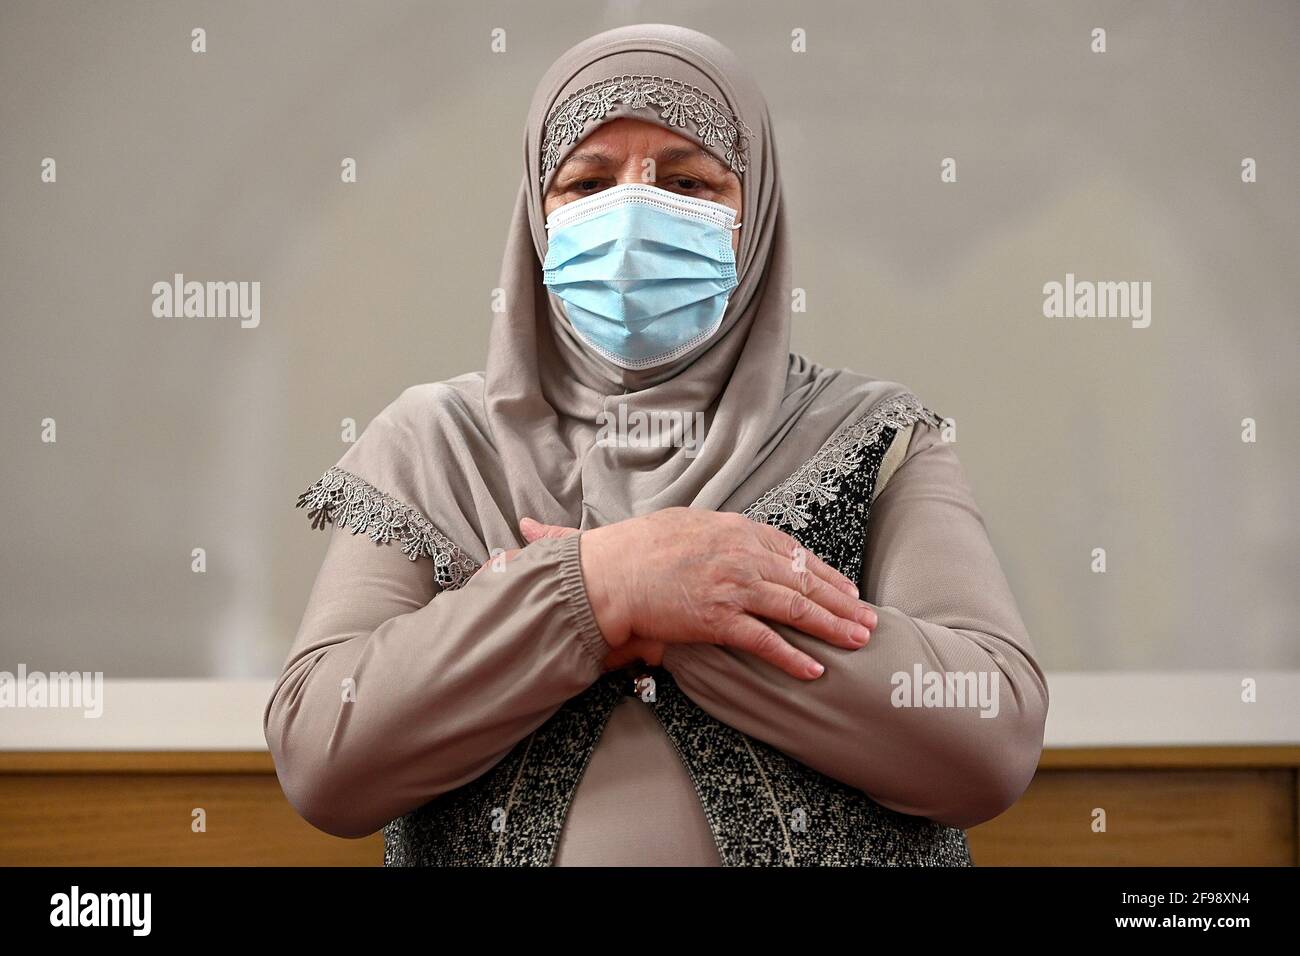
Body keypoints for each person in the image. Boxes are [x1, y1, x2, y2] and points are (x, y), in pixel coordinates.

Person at [265, 23, 1049, 866]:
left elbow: (988, 737)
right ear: (535, 213)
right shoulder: (434, 444)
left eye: (686, 182)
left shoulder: (872, 433)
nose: (632, 219)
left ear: (756, 209)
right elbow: (324, 754)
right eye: (587, 184)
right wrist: (603, 587)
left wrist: (672, 619)